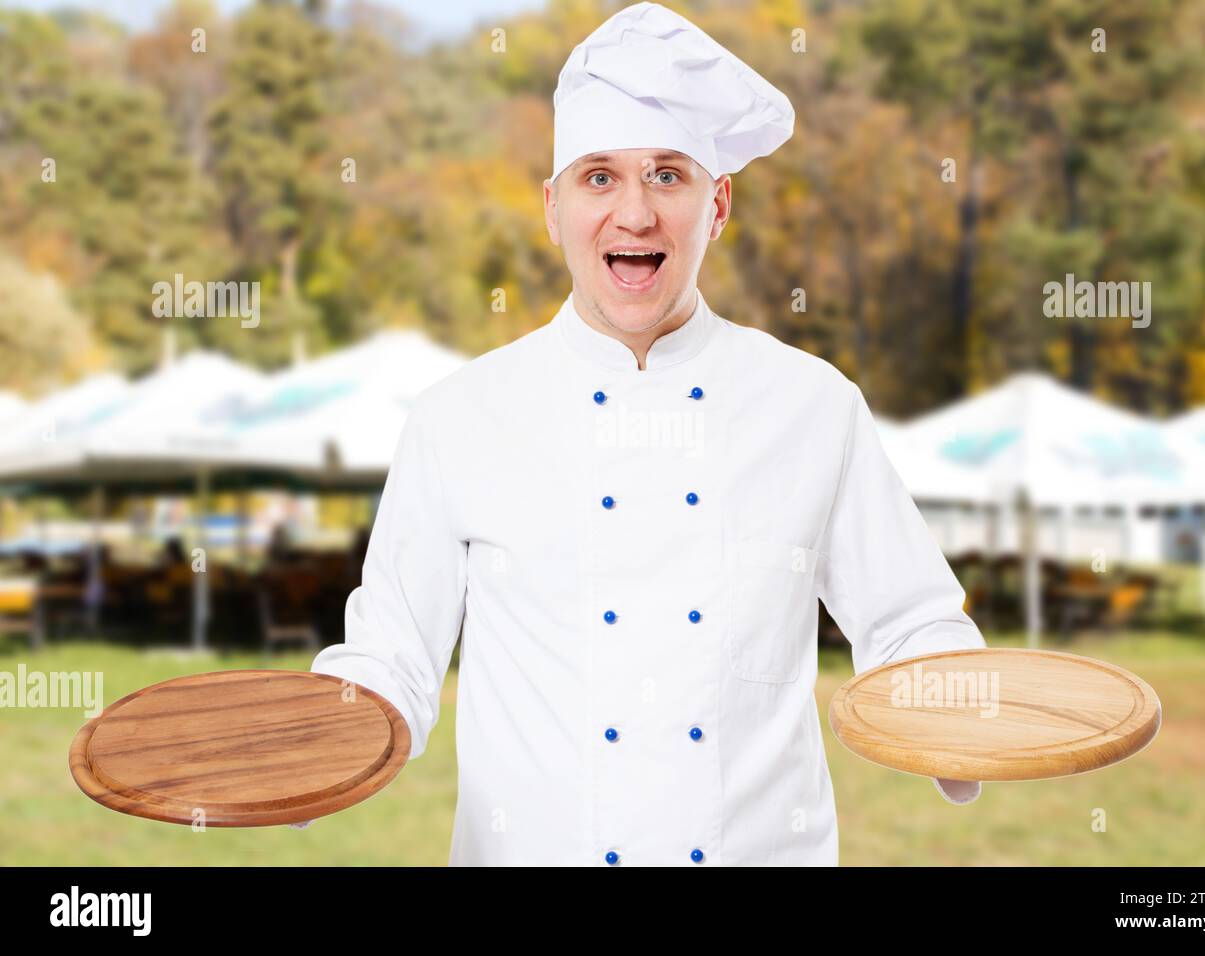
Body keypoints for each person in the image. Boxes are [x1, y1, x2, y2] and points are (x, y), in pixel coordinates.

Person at [307, 1, 984, 864]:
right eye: (599, 176)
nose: (634, 213)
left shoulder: (813, 406)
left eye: (669, 175)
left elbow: (909, 621)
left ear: (719, 205)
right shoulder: (457, 418)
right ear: (552, 208)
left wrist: (960, 726)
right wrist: (317, 755)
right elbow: (392, 653)